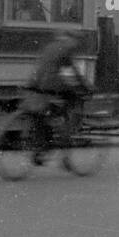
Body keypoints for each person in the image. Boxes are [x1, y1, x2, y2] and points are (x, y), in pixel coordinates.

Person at [23, 32, 93, 161]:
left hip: (35, 82)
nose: (75, 44)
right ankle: (62, 134)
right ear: (70, 39)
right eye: (74, 41)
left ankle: (41, 145)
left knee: (42, 113)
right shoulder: (66, 49)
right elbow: (74, 72)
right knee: (70, 99)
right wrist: (85, 87)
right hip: (50, 83)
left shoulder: (50, 46)